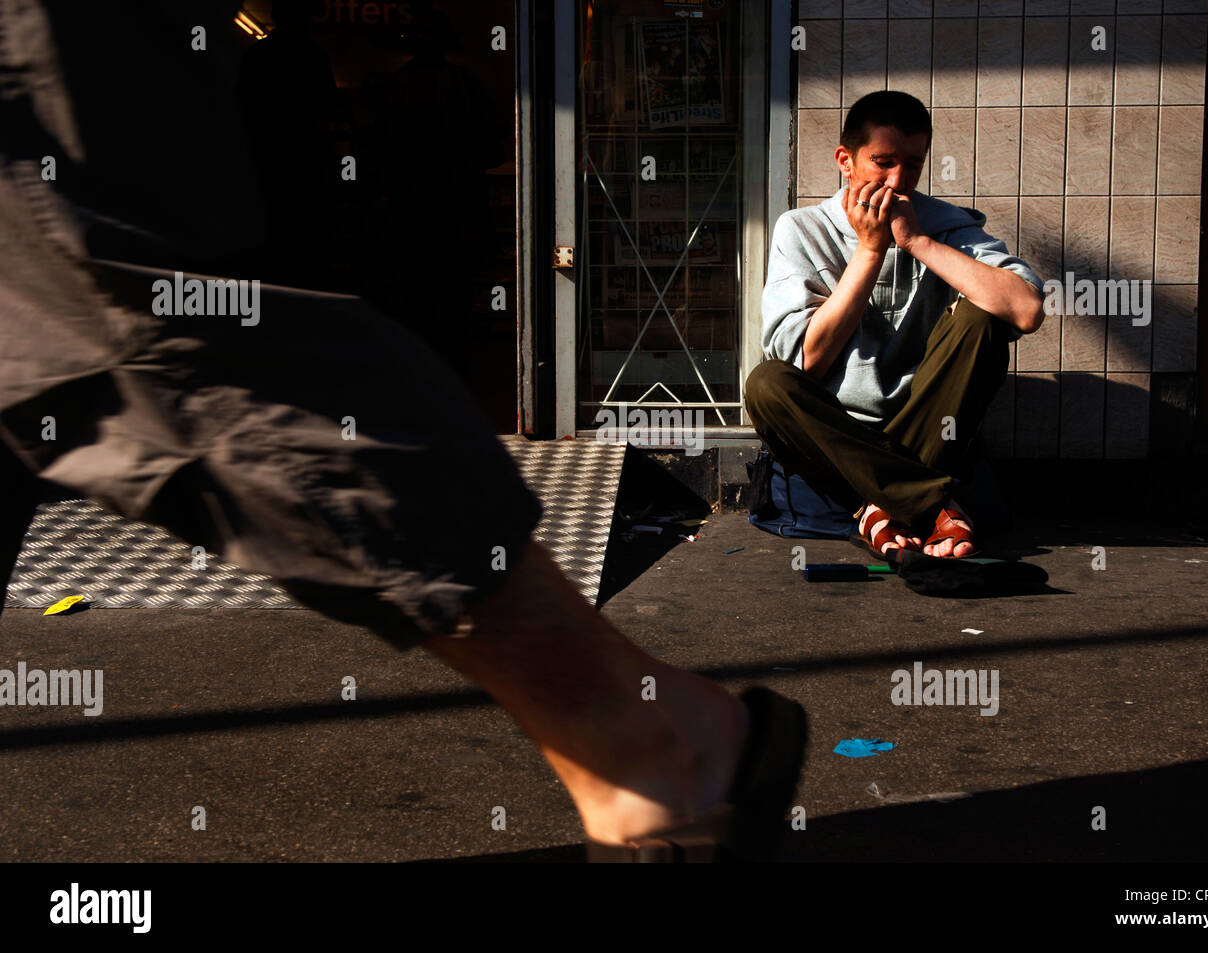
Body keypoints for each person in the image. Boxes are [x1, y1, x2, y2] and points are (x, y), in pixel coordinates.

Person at [0, 0, 805, 862]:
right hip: (426, 213)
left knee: (118, 319)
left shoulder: (368, 85)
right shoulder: (440, 87)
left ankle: (646, 735)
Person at [746, 90, 1045, 561]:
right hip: (838, 427)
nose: (898, 180)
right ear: (845, 160)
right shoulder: (802, 229)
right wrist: (869, 251)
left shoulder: (945, 226)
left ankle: (879, 506)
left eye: (913, 163)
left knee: (980, 316)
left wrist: (916, 241)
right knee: (767, 383)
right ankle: (929, 506)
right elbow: (807, 361)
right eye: (882, 161)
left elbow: (1025, 310)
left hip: (925, 424)